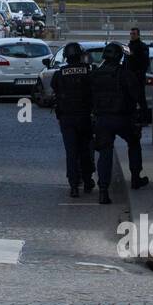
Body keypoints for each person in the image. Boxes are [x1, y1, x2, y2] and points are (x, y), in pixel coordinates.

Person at [90, 43, 150, 201]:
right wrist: (143, 114)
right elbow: (137, 95)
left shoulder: (96, 74)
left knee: (105, 152)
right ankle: (136, 178)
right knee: (134, 142)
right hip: (123, 117)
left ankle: (103, 190)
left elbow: (90, 96)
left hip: (102, 118)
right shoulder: (125, 74)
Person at [52, 42, 96, 200]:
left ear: (66, 57)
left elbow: (55, 91)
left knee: (71, 152)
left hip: (67, 118)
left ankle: (73, 185)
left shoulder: (60, 73)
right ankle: (87, 179)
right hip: (85, 116)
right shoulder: (88, 71)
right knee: (85, 149)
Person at [127, 27, 151, 114]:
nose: (132, 36)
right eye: (131, 34)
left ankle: (143, 117)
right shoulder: (129, 46)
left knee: (141, 98)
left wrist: (139, 72)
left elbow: (145, 62)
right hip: (131, 76)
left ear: (138, 35)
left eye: (134, 34)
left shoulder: (142, 46)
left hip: (138, 77)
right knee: (131, 99)